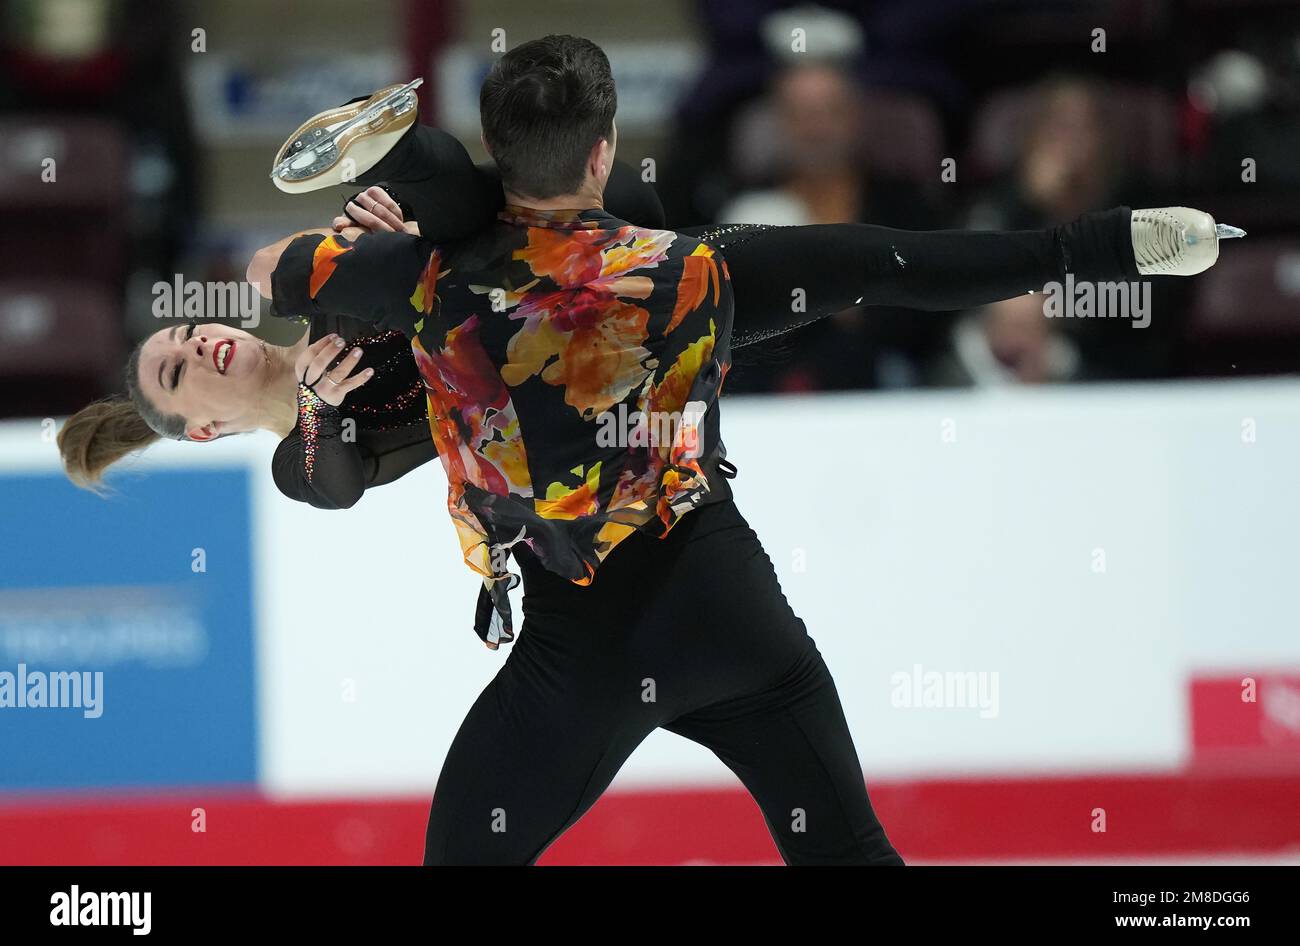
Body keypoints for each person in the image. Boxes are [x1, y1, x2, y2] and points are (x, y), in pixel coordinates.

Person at [61, 36, 1234, 864]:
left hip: (588, 637)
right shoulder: (698, 273)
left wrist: (380, 205)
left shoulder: (412, 288)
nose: (200, 344)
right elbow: (910, 265)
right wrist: (1112, 241)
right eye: (179, 367)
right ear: (607, 150)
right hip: (725, 603)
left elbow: (328, 281)